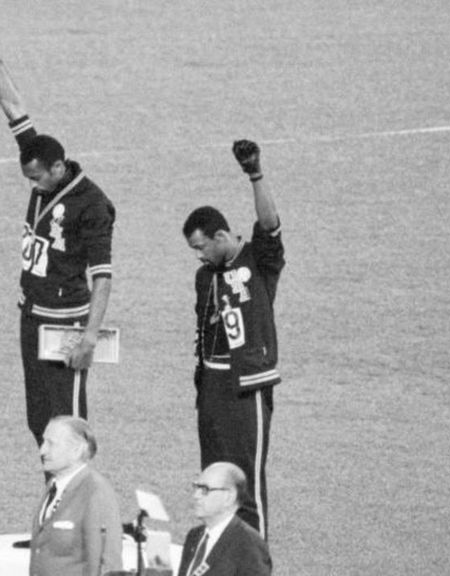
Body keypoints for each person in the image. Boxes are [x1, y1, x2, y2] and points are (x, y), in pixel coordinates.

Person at [0, 17, 116, 449]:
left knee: (68, 425)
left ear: (58, 167)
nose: (32, 186)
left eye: (37, 179)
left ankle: (79, 507)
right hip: (31, 315)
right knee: (39, 423)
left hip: (66, 322)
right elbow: (13, 106)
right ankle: (55, 499)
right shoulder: (40, 158)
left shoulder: (92, 206)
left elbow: (103, 275)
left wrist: (90, 336)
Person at [182, 140, 285, 540]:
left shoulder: (259, 261)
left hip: (246, 388)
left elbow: (270, 224)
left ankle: (254, 561)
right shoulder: (204, 276)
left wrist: (254, 173)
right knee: (214, 480)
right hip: (211, 388)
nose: (198, 256)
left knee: (245, 484)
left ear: (220, 234)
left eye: (200, 246)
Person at [29, 416, 123, 576]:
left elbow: (108, 563)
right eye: (44, 442)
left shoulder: (95, 491)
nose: (42, 450)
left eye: (51, 444)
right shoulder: (53, 486)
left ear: (76, 450)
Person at [177, 462, 272, 576]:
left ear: (229, 497)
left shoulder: (249, 543)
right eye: (196, 487)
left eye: (205, 489)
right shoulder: (194, 536)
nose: (196, 495)